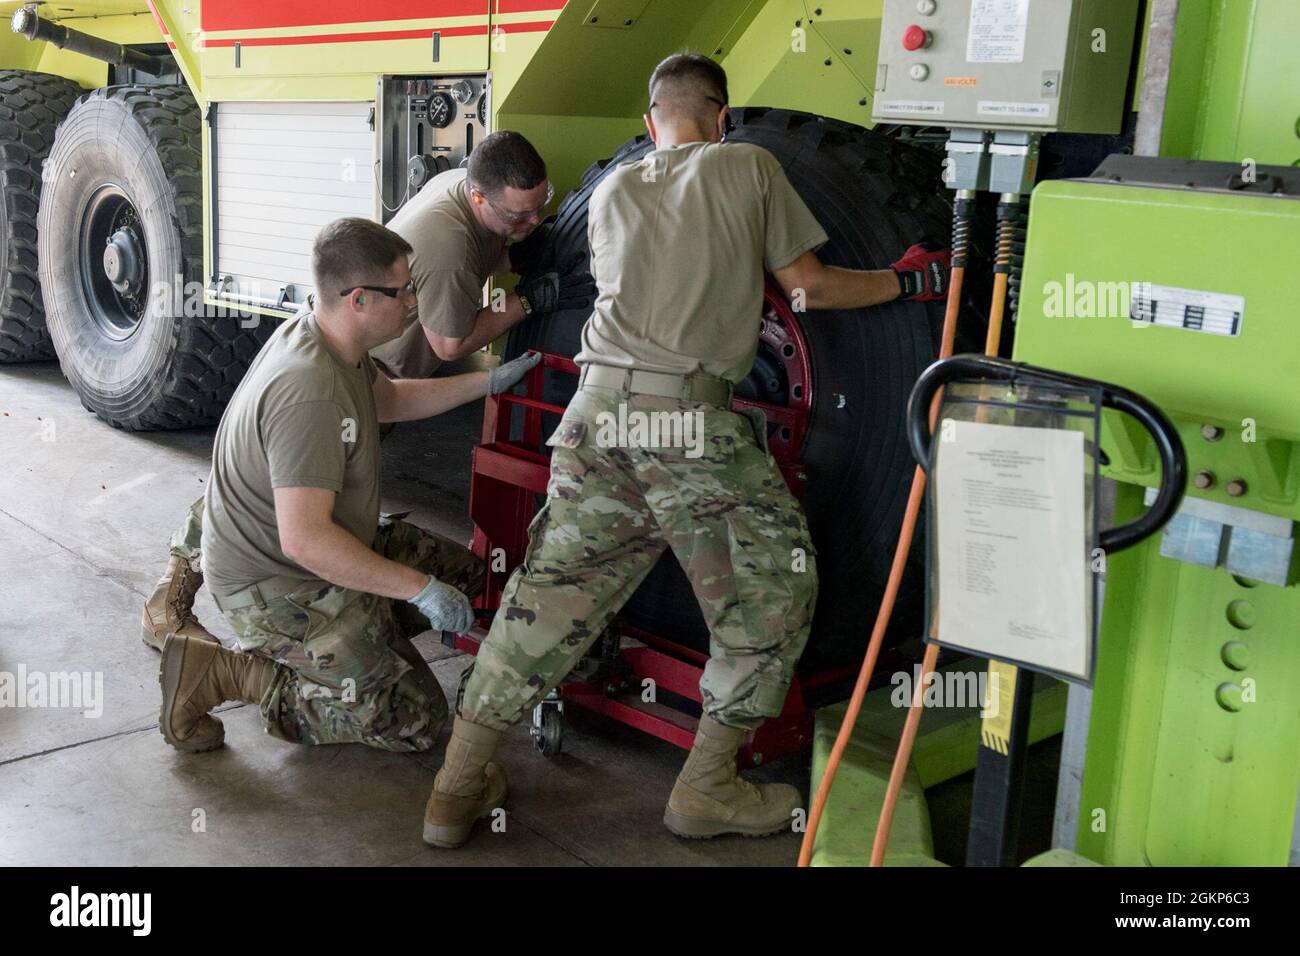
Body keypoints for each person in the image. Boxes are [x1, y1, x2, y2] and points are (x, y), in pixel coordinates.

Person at [420, 53, 952, 848]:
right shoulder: (749, 166)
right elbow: (806, 287)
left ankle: (451, 796)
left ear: (648, 126)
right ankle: (706, 788)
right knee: (775, 591)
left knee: (544, 608)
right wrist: (910, 284)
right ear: (723, 117)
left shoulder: (610, 191)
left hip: (594, 420)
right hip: (683, 426)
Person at [156, 217, 538, 760]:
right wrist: (416, 589)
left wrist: (488, 381)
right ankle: (227, 673)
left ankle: (359, 639)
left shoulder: (332, 340)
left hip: (319, 549)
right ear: (358, 300)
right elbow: (305, 541)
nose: (413, 300)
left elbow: (393, 401)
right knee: (414, 719)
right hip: (280, 588)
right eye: (403, 289)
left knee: (475, 580)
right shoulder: (309, 392)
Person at [369, 130, 594, 380]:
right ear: (479, 197)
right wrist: (528, 301)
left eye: (539, 207)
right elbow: (451, 347)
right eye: (518, 215)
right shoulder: (449, 246)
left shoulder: (461, 182)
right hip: (376, 375)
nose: (534, 220)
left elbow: (470, 263)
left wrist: (515, 257)